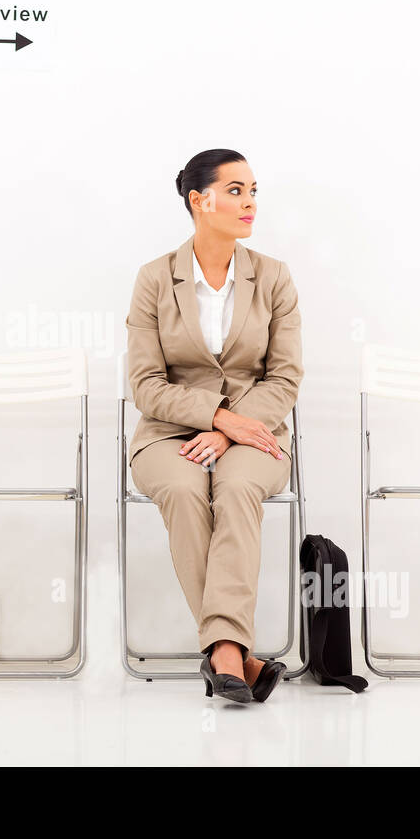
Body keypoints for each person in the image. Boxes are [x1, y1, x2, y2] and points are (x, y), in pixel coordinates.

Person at [125, 149, 303, 704]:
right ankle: (235, 653)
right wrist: (216, 417)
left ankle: (223, 653)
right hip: (167, 432)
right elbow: (145, 384)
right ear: (198, 201)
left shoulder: (273, 277)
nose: (250, 203)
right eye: (235, 190)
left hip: (257, 431)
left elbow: (285, 378)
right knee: (183, 490)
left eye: (253, 191)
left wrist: (231, 431)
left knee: (237, 487)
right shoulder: (155, 279)